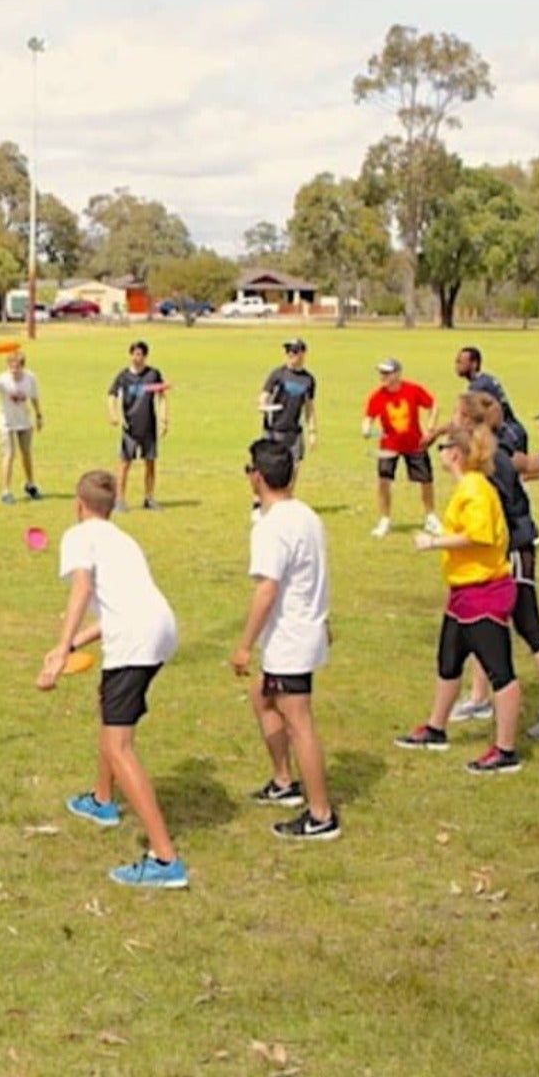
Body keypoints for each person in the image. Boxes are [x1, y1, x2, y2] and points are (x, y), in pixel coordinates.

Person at [39, 469, 187, 888]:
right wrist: (68, 648)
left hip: (135, 640)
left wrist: (57, 650)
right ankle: (102, 801)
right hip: (161, 629)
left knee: (118, 745)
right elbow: (118, 606)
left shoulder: (79, 535)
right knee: (110, 714)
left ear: (78, 505)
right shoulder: (123, 541)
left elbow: (82, 590)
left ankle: (165, 860)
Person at [394, 423, 521, 775]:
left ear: (456, 454)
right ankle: (436, 728)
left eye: (444, 449)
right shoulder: (469, 486)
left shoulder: (476, 489)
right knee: (448, 660)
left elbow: (478, 536)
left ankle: (506, 749)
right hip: (463, 592)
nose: (442, 455)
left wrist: (434, 542)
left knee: (500, 671)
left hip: (485, 592)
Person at [446, 392, 539, 744]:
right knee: (486, 620)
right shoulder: (490, 455)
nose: (452, 421)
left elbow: (494, 508)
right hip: (502, 551)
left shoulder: (492, 461)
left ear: (470, 421)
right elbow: (531, 466)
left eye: (457, 415)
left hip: (515, 550)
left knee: (529, 626)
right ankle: (478, 698)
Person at [232, 438, 341, 840]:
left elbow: (267, 590)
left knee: (299, 722)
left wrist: (245, 644)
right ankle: (283, 781)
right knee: (262, 696)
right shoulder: (307, 516)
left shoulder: (271, 526)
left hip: (290, 639)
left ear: (256, 477)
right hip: (306, 628)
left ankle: (321, 815)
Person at [362, 357, 440, 538]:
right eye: (381, 373)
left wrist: (431, 427)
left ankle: (430, 517)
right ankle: (384, 519)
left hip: (415, 443)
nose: (383, 376)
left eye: (387, 373)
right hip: (389, 446)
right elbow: (369, 416)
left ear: (397, 374)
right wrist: (366, 427)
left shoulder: (412, 390)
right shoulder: (377, 396)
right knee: (384, 481)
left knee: (426, 480)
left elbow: (433, 404)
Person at [0, 349, 44, 503]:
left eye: (17, 367)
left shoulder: (30, 378)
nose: (14, 370)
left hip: (24, 421)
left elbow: (34, 398)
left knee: (26, 453)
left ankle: (30, 485)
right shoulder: (3, 379)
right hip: (6, 423)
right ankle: (6, 491)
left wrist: (39, 416)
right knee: (9, 454)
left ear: (22, 366)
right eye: (11, 366)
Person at [107, 340, 168, 511]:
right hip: (130, 427)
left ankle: (149, 498)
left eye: (140, 355)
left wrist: (164, 419)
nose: (136, 358)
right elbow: (111, 395)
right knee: (125, 463)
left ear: (145, 356)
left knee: (150, 462)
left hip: (149, 426)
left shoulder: (153, 374)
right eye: (134, 354)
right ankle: (119, 500)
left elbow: (162, 396)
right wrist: (114, 415)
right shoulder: (124, 376)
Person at [257, 339, 317, 494]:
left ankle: (287, 498)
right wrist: (264, 406)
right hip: (274, 430)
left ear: (303, 354)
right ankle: (261, 501)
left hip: (293, 432)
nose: (290, 354)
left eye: (295, 351)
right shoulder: (277, 375)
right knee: (269, 468)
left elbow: (309, 407)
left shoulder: (308, 380)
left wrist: (312, 432)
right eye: (288, 351)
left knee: (294, 467)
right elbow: (263, 396)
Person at [454, 346, 526, 452]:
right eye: (457, 362)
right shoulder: (486, 379)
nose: (457, 365)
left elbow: (467, 419)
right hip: (515, 431)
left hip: (507, 436)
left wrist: (438, 432)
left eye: (461, 362)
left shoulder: (478, 386)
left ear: (474, 364)